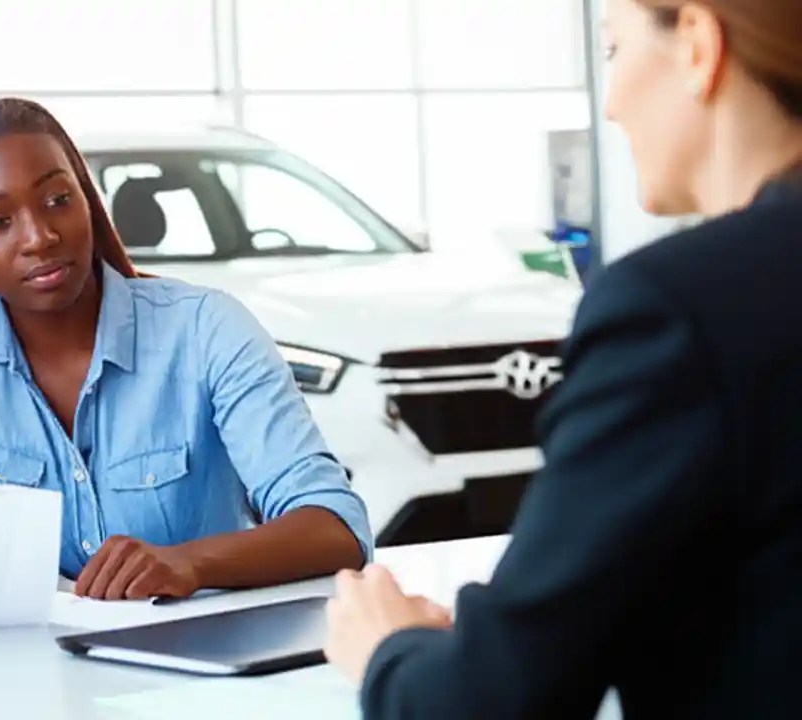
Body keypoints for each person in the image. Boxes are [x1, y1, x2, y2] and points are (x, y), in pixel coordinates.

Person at [324, 0, 802, 717]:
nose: (610, 107)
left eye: (613, 50)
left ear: (698, 45)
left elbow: (498, 700)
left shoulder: (678, 306)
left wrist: (387, 650)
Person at [0, 98, 372, 600]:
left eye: (58, 199)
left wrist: (190, 563)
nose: (40, 237)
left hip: (207, 644)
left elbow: (337, 527)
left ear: (87, 199)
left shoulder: (204, 327)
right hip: (30, 647)